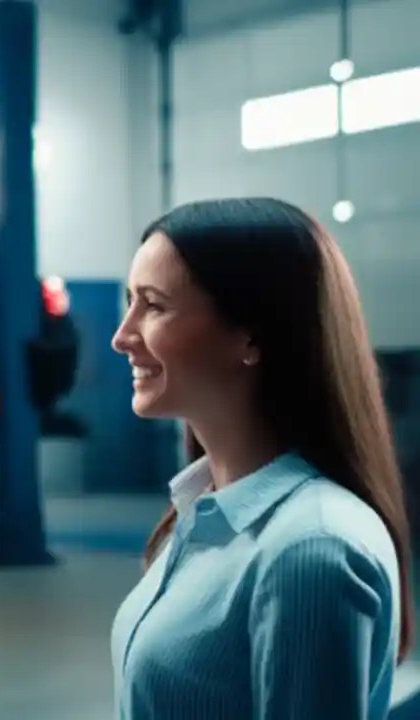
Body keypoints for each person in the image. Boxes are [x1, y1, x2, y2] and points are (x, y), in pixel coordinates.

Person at [109, 197, 413, 719]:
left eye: (154, 305)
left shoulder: (310, 550)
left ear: (250, 334)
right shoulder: (206, 511)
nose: (122, 337)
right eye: (129, 302)